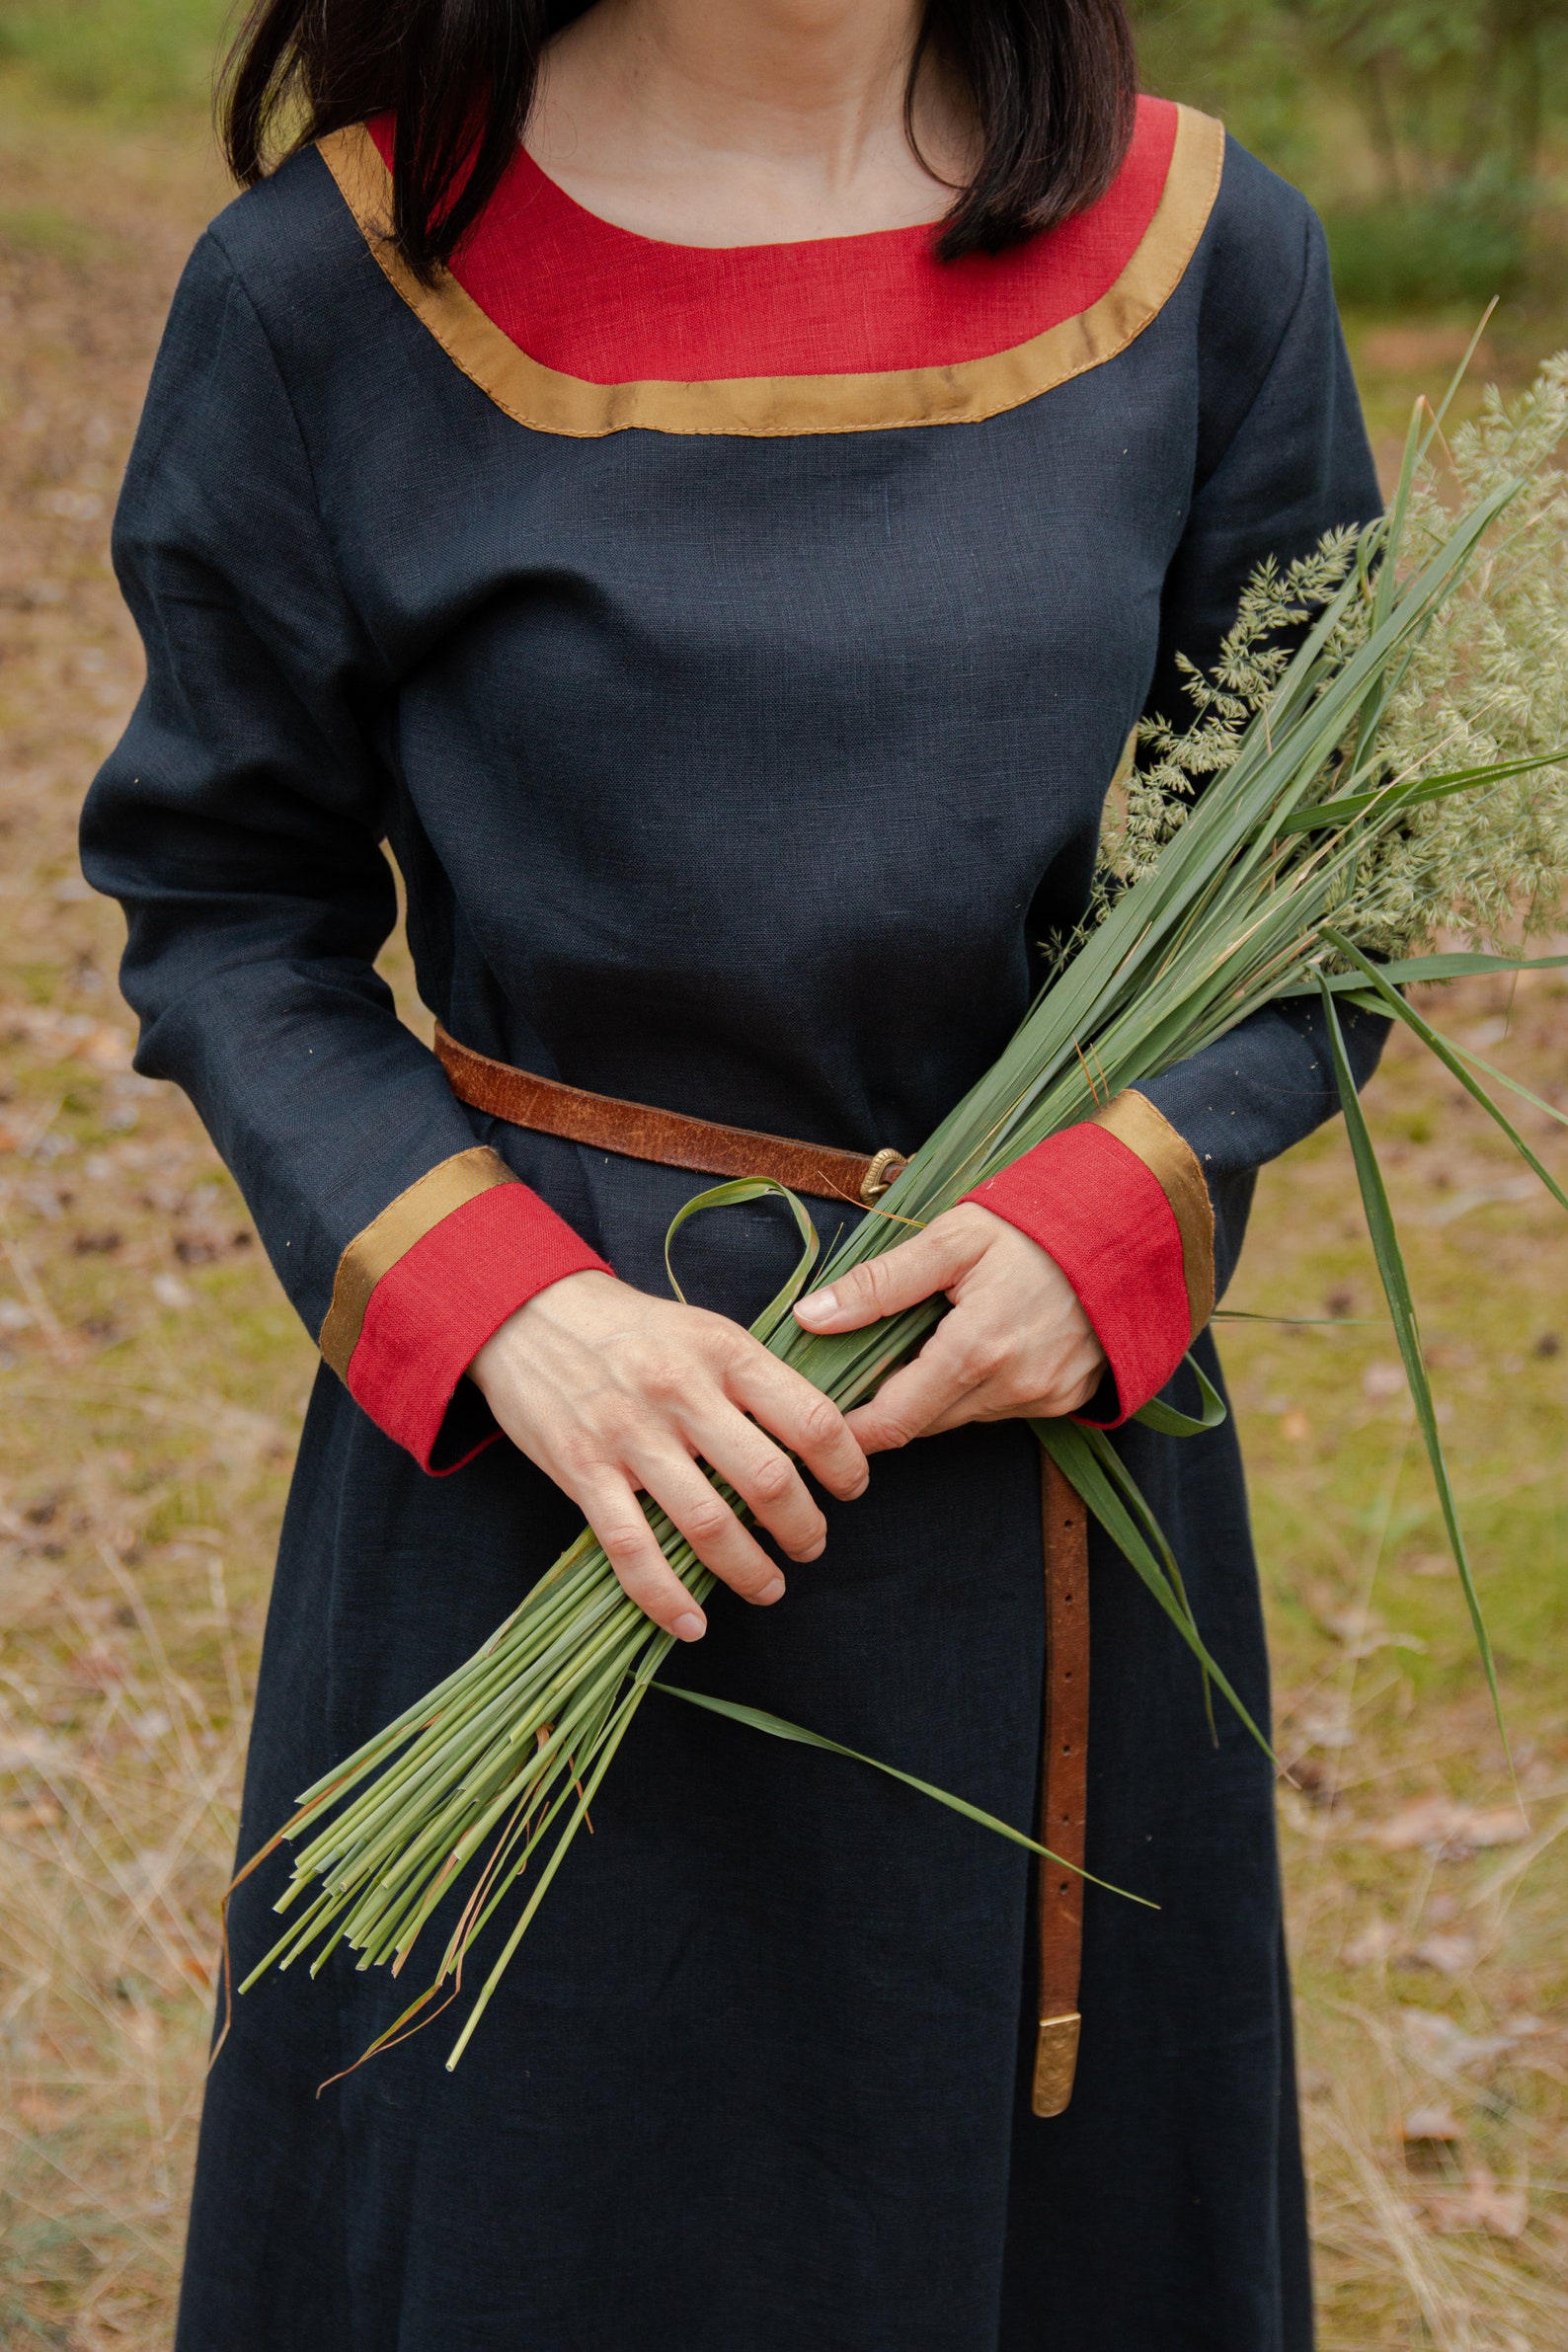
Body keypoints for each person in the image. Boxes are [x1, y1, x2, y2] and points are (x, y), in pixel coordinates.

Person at [81, 2, 1384, 2344]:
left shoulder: (1205, 255)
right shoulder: (326, 290)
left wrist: (1114, 1217)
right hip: (540, 1491)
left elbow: (1321, 893)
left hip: (1018, 1485)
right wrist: (502, 1308)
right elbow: (225, 912)